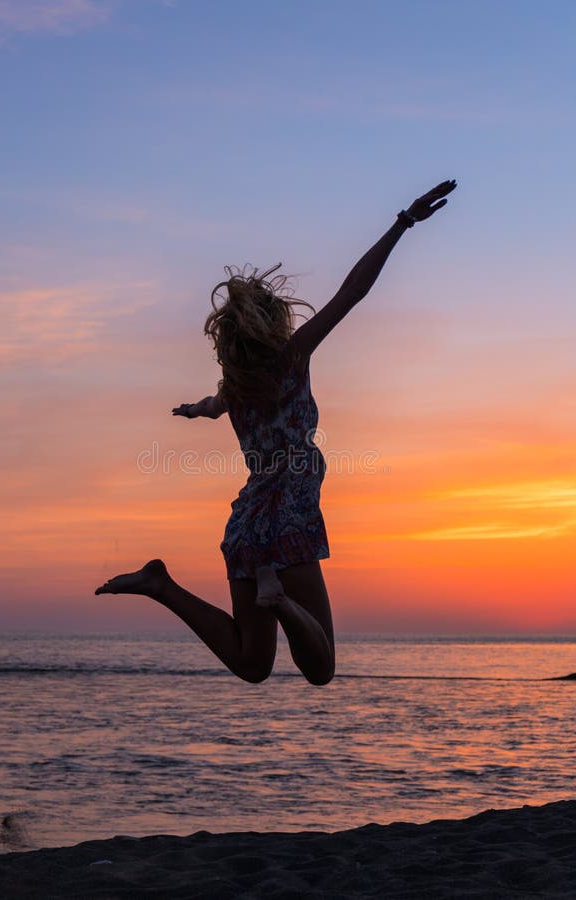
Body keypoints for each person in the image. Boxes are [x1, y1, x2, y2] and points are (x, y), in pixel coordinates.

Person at [95, 179, 457, 685]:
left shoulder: (236, 386)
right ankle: (279, 600)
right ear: (272, 324)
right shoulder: (291, 359)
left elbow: (213, 406)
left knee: (252, 665)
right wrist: (403, 222)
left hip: (248, 524)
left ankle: (162, 586)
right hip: (289, 513)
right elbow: (352, 292)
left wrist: (195, 411)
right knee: (321, 669)